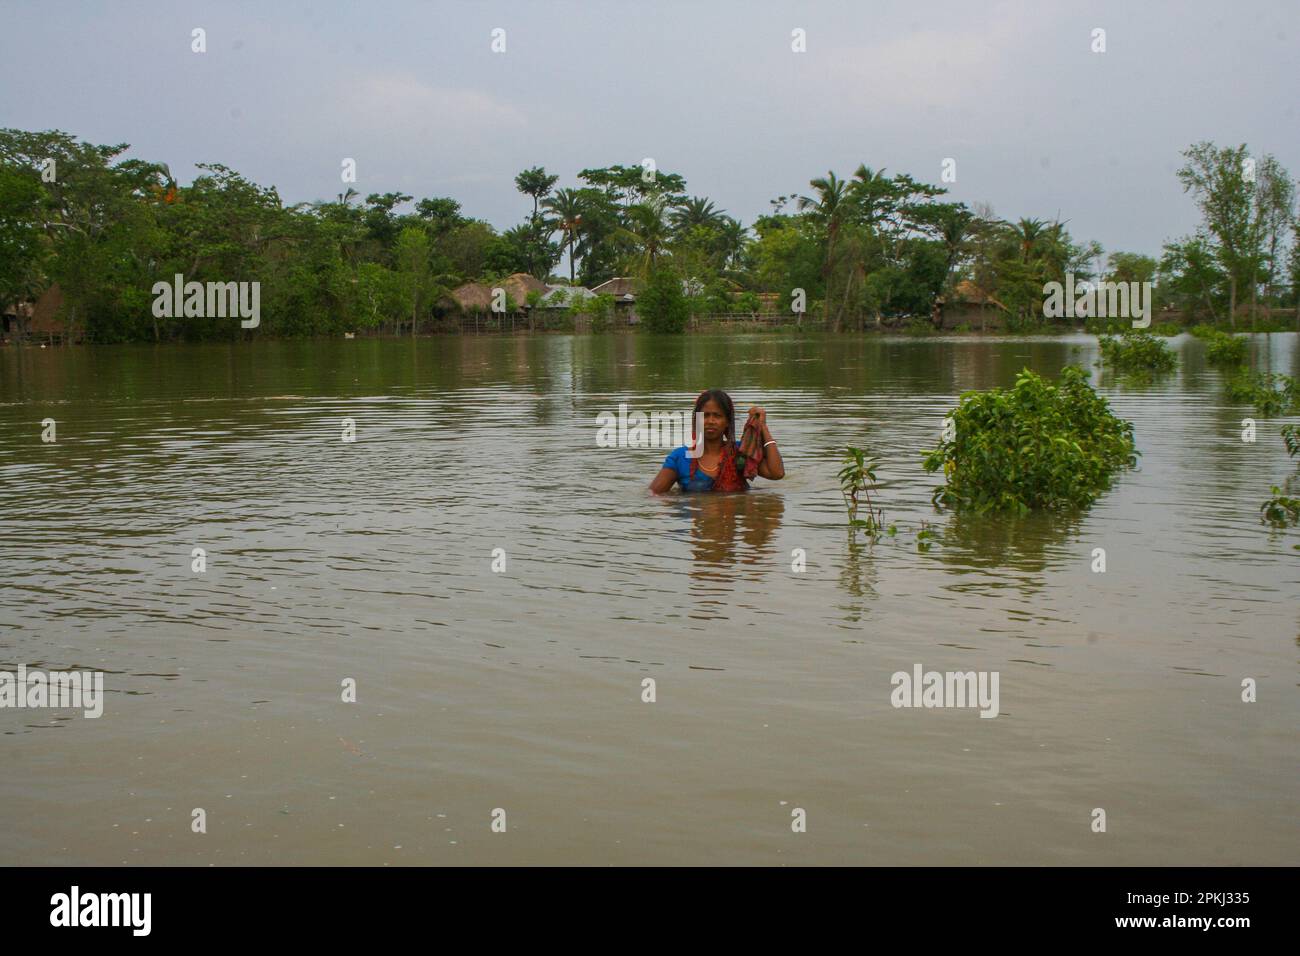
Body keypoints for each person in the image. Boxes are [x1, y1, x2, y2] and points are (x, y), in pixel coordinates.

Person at [649, 388, 784, 494]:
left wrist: (763, 428)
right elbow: (653, 495)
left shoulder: (740, 453)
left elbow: (776, 473)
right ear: (696, 420)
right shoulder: (680, 458)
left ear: (727, 422)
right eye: (705, 415)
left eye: (717, 416)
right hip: (694, 523)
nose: (711, 421)